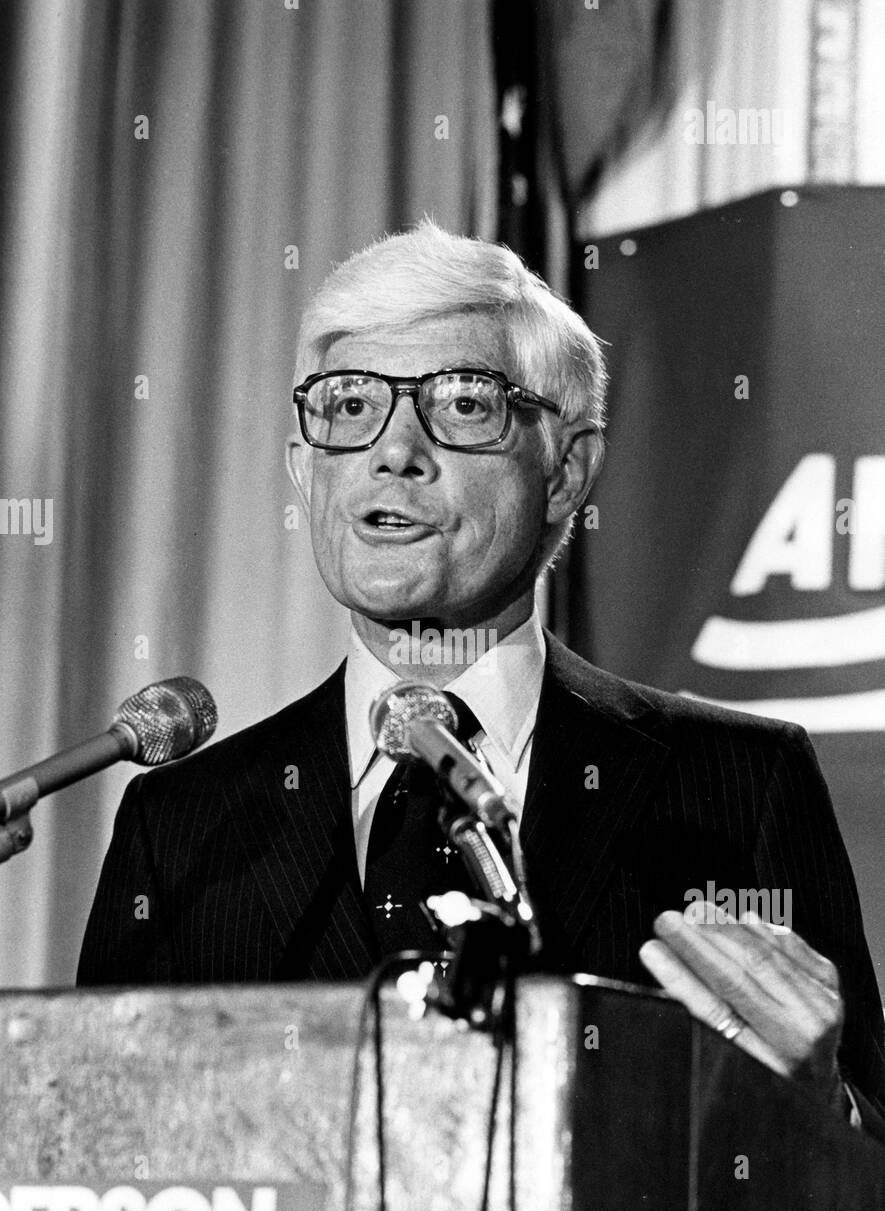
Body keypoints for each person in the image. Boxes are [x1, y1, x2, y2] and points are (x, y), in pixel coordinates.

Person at [78, 220, 885, 1131]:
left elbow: (866, 1183)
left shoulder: (737, 784)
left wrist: (822, 1103)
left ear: (567, 471)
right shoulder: (184, 825)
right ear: (305, 474)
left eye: (463, 404)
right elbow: (102, 1169)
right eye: (349, 406)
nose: (393, 450)